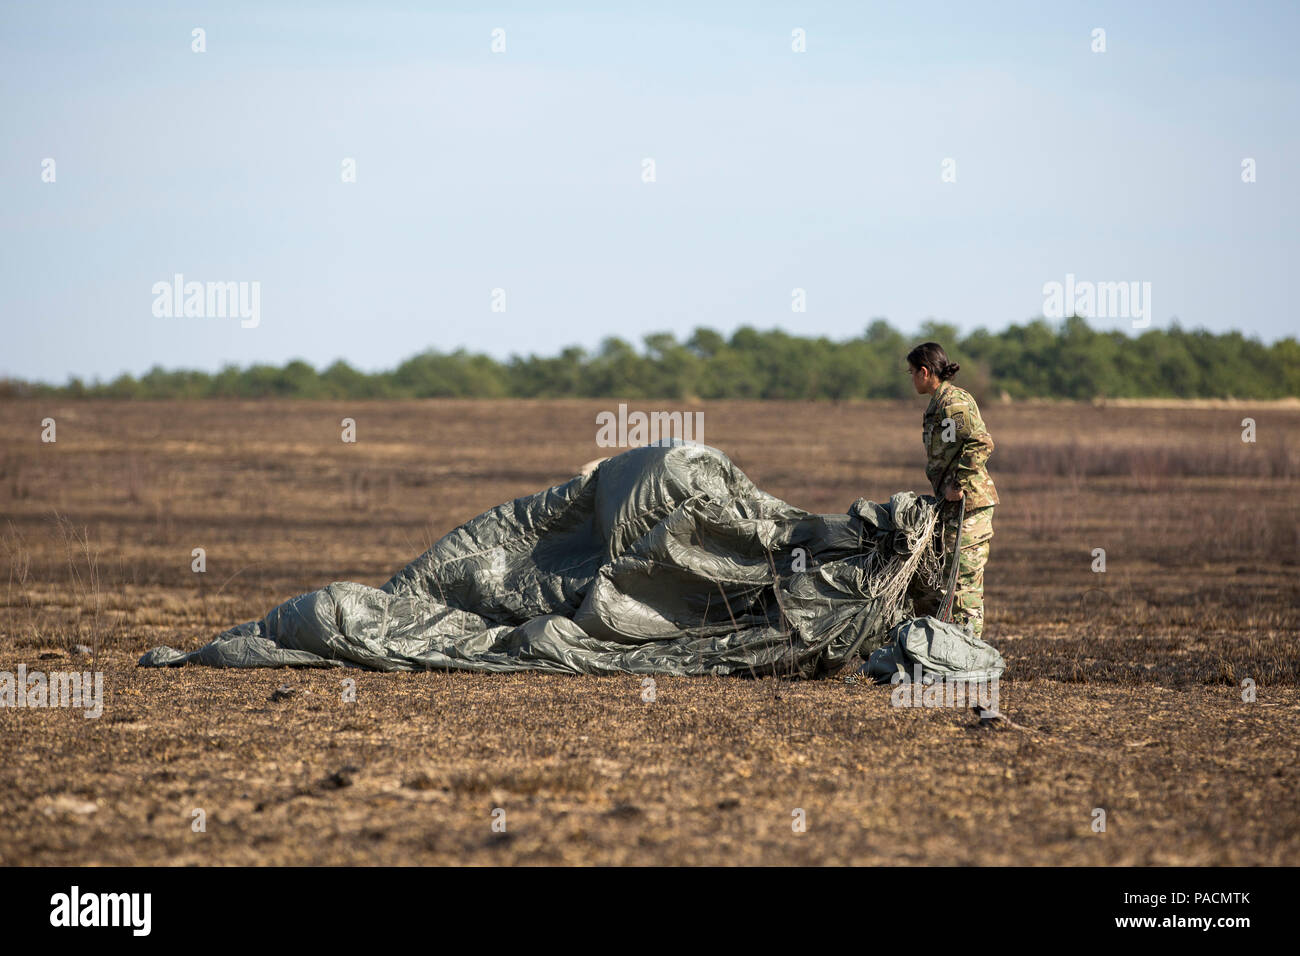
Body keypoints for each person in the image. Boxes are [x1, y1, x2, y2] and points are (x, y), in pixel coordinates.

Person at [906, 342, 998, 638]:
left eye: (912, 373)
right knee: (951, 580)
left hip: (968, 506)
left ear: (924, 372)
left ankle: (968, 653)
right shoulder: (939, 403)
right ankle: (956, 648)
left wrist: (958, 484)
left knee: (964, 583)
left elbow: (980, 443)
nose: (911, 379)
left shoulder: (952, 402)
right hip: (955, 508)